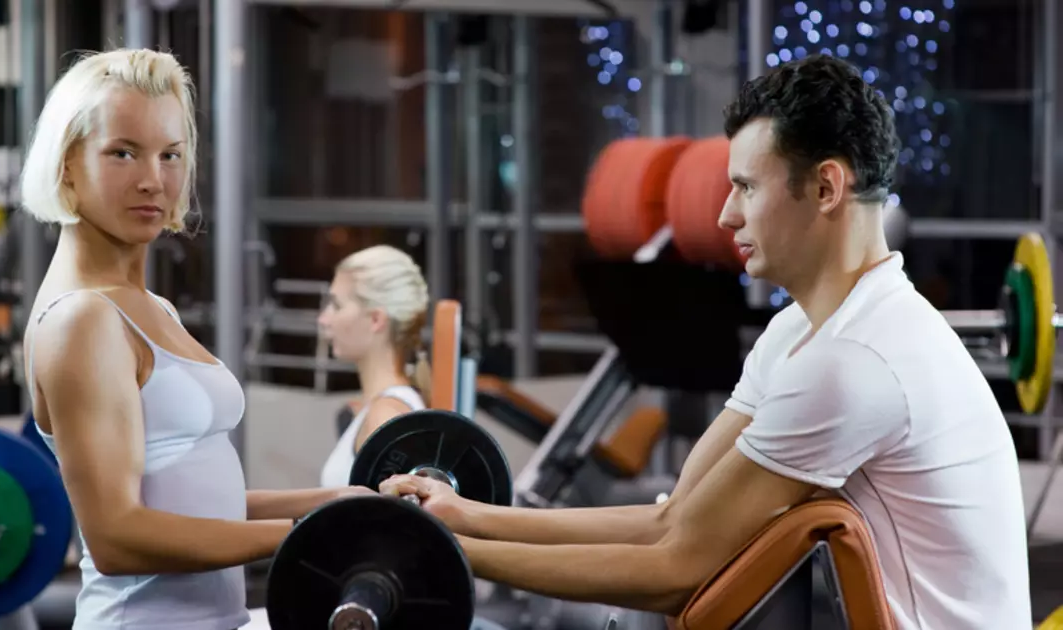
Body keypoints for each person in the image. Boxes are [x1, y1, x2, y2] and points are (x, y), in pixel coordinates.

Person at [380, 54, 1032, 629]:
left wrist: (439, 550)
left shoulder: (857, 360)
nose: (724, 215)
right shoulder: (801, 331)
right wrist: (466, 516)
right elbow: (673, 520)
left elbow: (675, 569)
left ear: (827, 187)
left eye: (746, 187)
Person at [19, 48, 369, 630]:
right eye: (122, 153)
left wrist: (336, 505)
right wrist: (309, 535)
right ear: (67, 165)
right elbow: (117, 538)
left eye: (171, 155)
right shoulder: (81, 320)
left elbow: (194, 503)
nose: (153, 180)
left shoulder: (148, 307)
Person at [316, 245, 432, 488]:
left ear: (376, 319)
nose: (324, 319)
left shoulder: (385, 417)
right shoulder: (381, 409)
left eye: (337, 305)